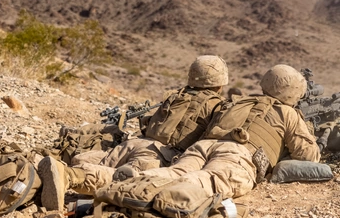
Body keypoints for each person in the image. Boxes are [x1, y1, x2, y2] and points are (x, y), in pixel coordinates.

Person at [38, 55, 229, 212]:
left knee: (86, 160)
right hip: (158, 154)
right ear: (220, 83)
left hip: (133, 144)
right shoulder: (218, 106)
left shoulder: (175, 95)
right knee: (120, 180)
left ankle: (49, 173)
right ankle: (69, 177)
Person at [135, 64, 319, 200]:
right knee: (209, 182)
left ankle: (132, 180)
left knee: (176, 172)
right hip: (236, 155)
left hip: (204, 146)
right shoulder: (288, 113)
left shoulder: (238, 101)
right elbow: (306, 156)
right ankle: (150, 198)